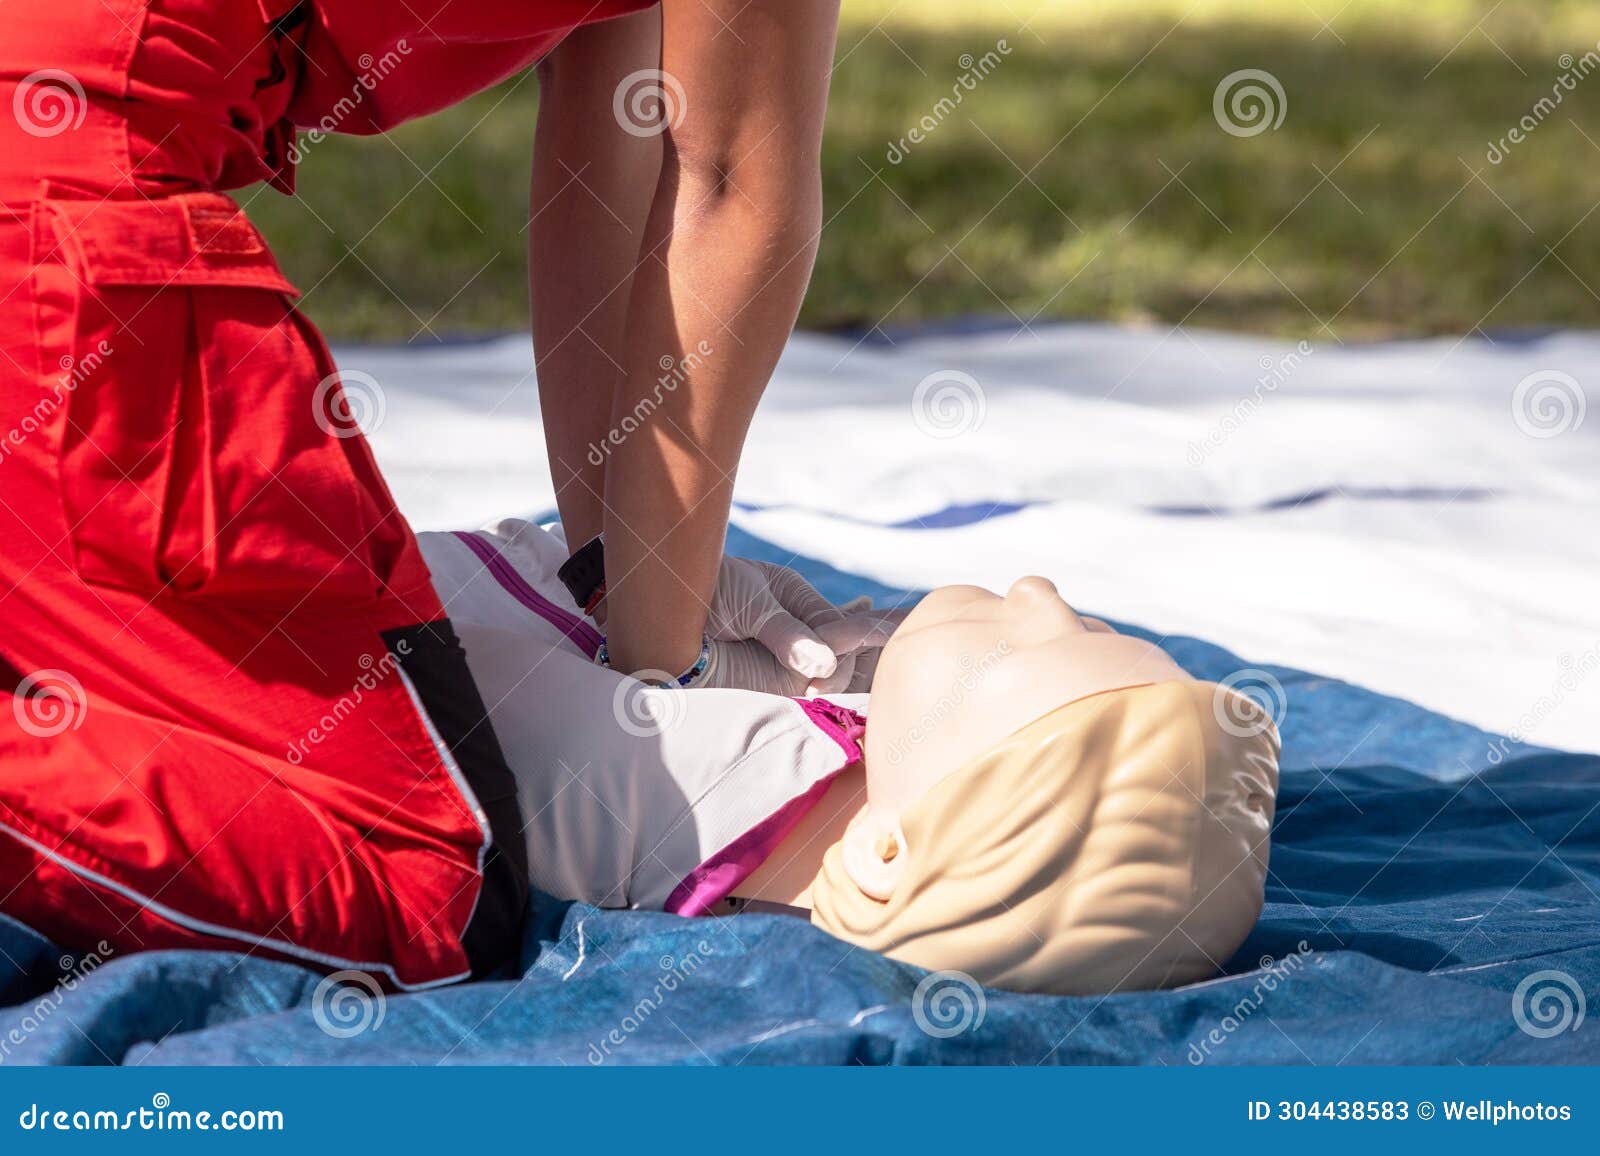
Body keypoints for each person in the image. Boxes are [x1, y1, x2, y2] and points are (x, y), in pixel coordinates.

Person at [0, 0, 850, 989]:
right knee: (429, 900)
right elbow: (731, 182)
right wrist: (668, 666)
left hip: (52, 162)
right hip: (60, 226)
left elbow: (615, 106)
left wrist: (616, 578)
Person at [424, 519, 1282, 995]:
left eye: (1038, 642)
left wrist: (625, 582)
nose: (1040, 592)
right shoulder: (901, 765)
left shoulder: (667, 799)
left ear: (884, 852)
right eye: (1091, 626)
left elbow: (415, 654)